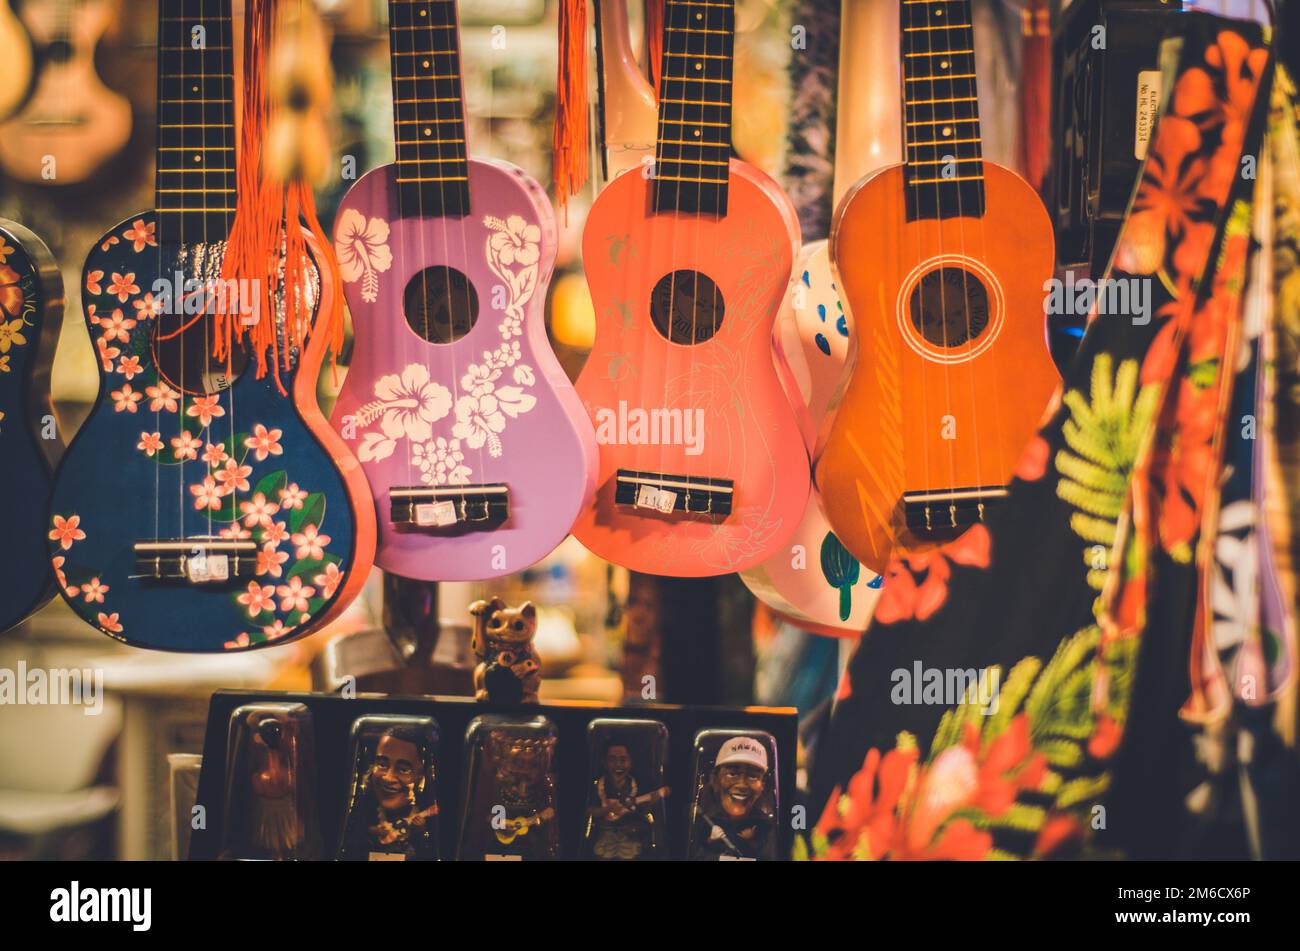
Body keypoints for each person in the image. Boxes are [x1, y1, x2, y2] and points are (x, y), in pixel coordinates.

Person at [339, 725, 439, 861]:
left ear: (420, 775)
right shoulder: (362, 808)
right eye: (382, 764)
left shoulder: (428, 812)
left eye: (403, 769)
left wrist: (420, 831)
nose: (388, 778)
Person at [690, 736, 776, 860]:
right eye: (732, 774)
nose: (741, 785)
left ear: (762, 785)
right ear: (715, 780)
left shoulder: (768, 829)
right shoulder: (698, 824)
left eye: (752, 776)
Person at [584, 741, 667, 860]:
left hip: (631, 841)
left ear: (631, 762)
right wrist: (606, 810)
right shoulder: (597, 786)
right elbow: (588, 812)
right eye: (612, 759)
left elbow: (646, 813)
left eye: (623, 759)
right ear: (605, 763)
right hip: (604, 839)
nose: (618, 764)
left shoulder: (640, 787)